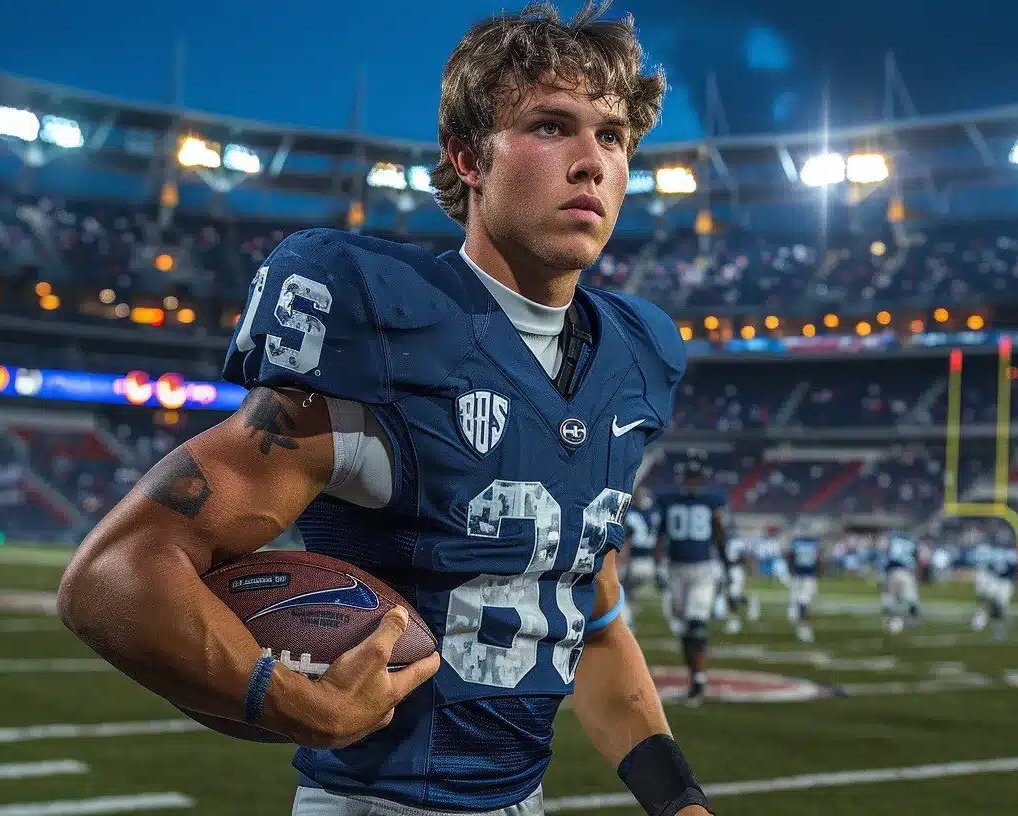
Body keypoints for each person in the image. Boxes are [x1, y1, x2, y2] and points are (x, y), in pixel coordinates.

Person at [56, 5, 716, 815]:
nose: (591, 163)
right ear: (468, 156)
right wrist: (282, 698)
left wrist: (677, 800)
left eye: (612, 137)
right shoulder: (385, 324)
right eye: (552, 126)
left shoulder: (633, 357)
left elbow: (595, 620)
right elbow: (113, 575)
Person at [652, 455, 729, 706]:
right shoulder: (667, 501)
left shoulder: (711, 502)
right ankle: (695, 675)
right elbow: (659, 537)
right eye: (690, 477)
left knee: (697, 627)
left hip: (703, 569)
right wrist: (658, 567)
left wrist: (727, 564)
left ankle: (698, 680)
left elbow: (719, 533)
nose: (693, 482)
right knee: (685, 630)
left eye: (696, 478)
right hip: (675, 570)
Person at [620, 491, 659, 632]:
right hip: (650, 562)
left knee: (619, 588)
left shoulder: (629, 513)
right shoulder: (653, 512)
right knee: (626, 591)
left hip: (634, 561)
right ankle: (629, 612)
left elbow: (627, 537)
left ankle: (627, 620)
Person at [879, 529, 920, 633]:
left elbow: (887, 555)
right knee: (911, 598)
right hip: (907, 571)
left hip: (895, 570)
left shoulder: (893, 539)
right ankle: (912, 618)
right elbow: (916, 557)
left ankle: (891, 617)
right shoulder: (911, 541)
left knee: (891, 597)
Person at [788, 531, 822, 643]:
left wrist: (791, 569)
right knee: (804, 600)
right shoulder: (813, 544)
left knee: (800, 599)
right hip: (808, 575)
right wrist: (819, 572)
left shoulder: (796, 543)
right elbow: (818, 559)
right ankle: (804, 627)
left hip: (799, 574)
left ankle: (802, 623)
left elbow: (791, 556)